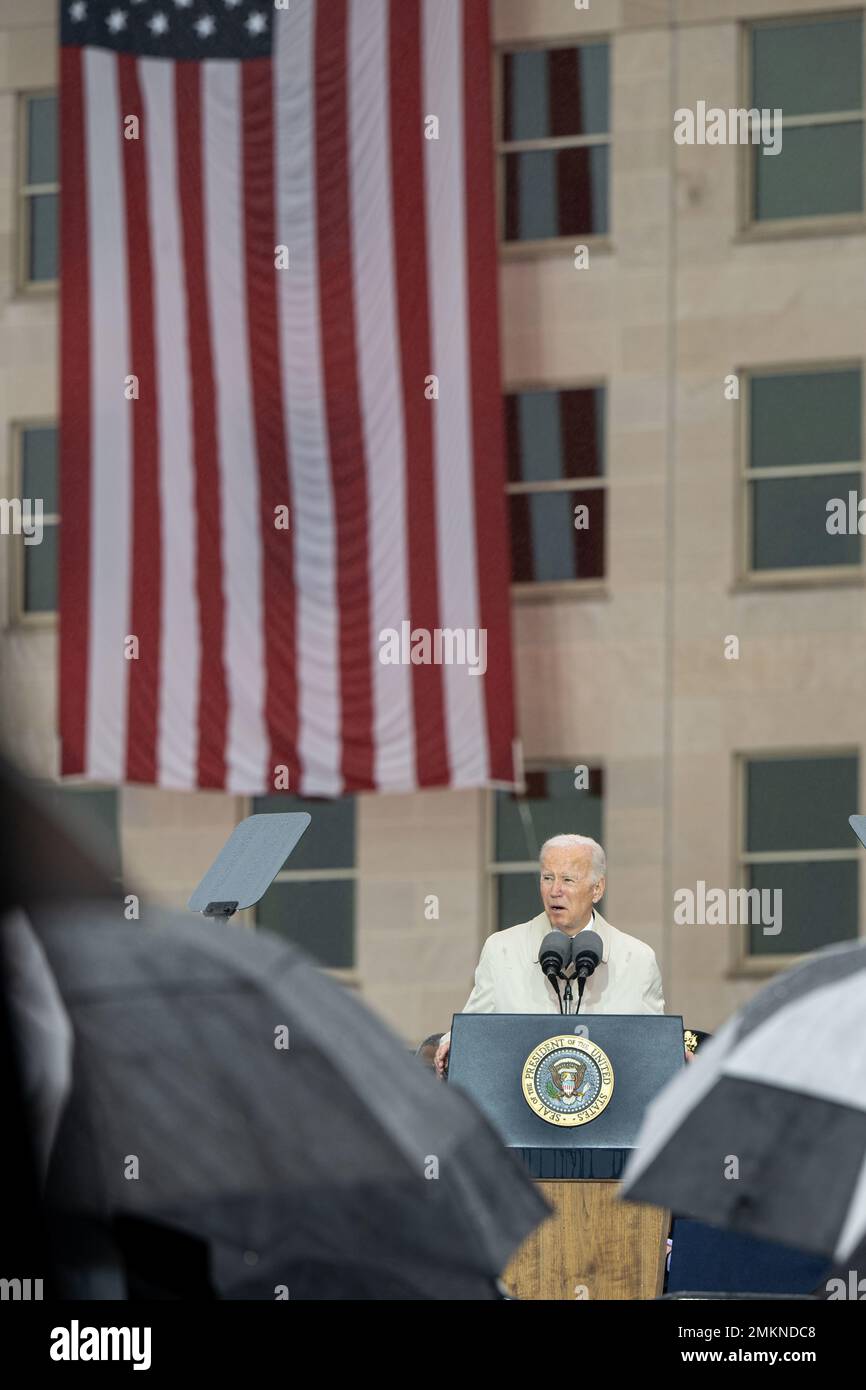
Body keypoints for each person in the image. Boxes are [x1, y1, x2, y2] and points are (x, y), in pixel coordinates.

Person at [434, 834, 665, 1078]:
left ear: (597, 888)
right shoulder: (502, 950)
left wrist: (674, 1052)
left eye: (568, 879)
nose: (555, 890)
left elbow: (657, 1045)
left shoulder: (638, 959)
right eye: (547, 878)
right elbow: (472, 1028)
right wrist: (451, 1044)